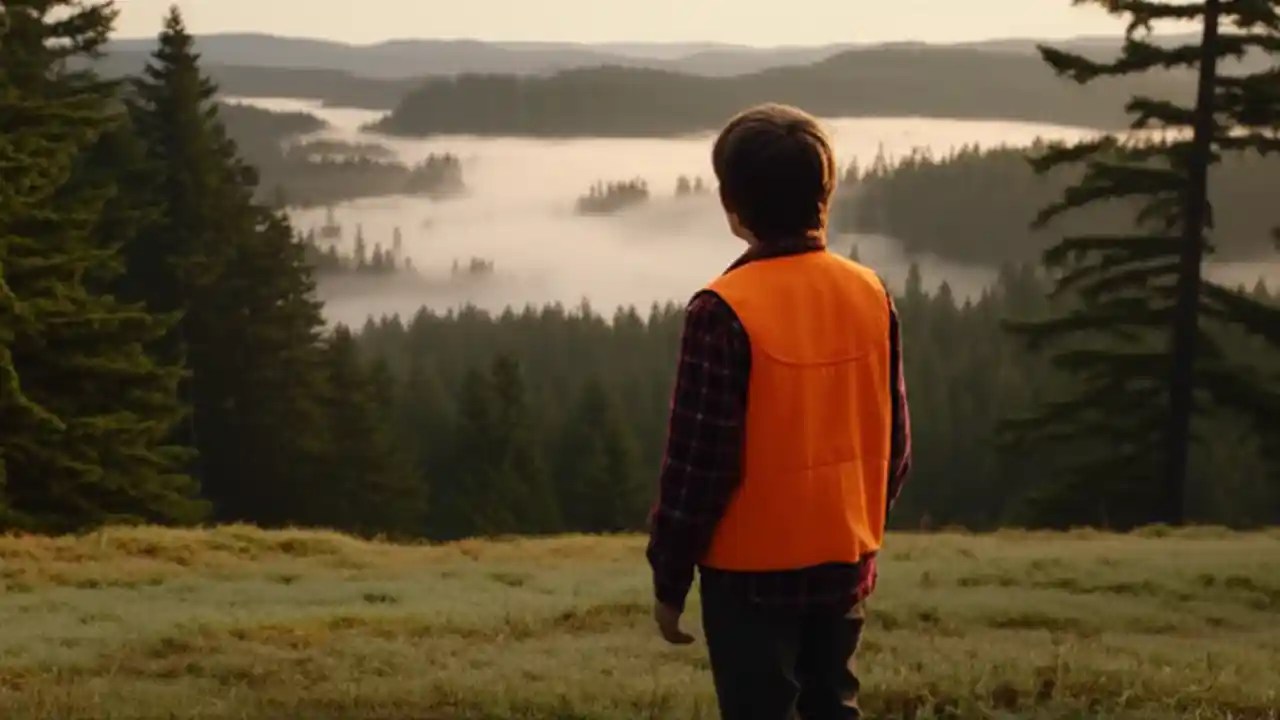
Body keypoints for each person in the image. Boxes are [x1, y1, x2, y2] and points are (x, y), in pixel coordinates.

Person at [646, 103, 912, 720]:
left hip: (749, 578)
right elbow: (895, 444)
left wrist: (670, 577)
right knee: (833, 707)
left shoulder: (722, 309)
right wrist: (856, 526)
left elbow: (697, 466)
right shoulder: (869, 292)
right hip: (845, 558)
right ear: (827, 192)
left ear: (731, 207)